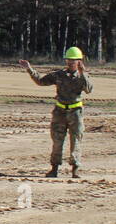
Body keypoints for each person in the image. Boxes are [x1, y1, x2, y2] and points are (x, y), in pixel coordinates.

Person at [19, 47, 94, 177]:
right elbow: (40, 81)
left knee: (75, 140)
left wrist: (83, 74)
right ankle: (54, 168)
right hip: (60, 112)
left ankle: (75, 169)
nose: (70, 62)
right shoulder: (59, 75)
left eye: (73, 60)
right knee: (57, 141)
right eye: (68, 60)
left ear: (79, 61)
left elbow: (88, 90)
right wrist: (29, 69)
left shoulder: (83, 76)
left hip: (75, 112)